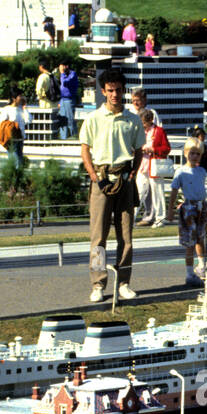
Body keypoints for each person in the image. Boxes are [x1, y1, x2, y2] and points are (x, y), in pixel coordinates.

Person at [79, 67, 144, 303]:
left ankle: (124, 282)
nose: (114, 94)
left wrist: (133, 174)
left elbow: (138, 151)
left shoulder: (133, 120)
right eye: (110, 90)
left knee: (126, 236)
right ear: (103, 91)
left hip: (124, 179)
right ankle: (98, 283)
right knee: (98, 237)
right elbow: (85, 149)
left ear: (123, 91)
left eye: (118, 90)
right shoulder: (94, 119)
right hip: (101, 180)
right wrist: (94, 176)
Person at [168, 138, 207, 287]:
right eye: (192, 153)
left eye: (198, 154)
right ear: (186, 153)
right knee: (189, 242)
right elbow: (174, 191)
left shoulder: (201, 171)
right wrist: (170, 210)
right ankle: (189, 272)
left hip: (201, 206)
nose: (194, 156)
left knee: (201, 237)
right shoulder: (180, 172)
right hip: (189, 208)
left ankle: (202, 266)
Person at [135, 108, 170, 227]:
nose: (142, 125)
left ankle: (160, 219)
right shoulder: (138, 131)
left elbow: (166, 148)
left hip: (155, 166)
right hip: (142, 166)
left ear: (150, 120)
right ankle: (130, 218)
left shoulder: (159, 131)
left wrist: (153, 149)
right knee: (138, 193)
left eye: (144, 122)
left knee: (158, 193)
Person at [0, 89, 29, 169]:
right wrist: (12, 126)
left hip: (20, 139)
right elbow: (0, 124)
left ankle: (17, 179)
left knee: (20, 162)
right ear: (14, 98)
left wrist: (25, 108)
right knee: (14, 163)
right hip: (11, 140)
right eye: (20, 96)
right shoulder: (6, 109)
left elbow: (28, 120)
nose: (22, 98)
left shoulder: (21, 108)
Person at [57, 60, 79, 140]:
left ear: (67, 66)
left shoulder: (72, 74)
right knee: (63, 121)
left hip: (69, 100)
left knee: (70, 120)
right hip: (63, 100)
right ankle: (63, 139)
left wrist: (62, 73)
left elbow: (65, 83)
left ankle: (74, 137)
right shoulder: (63, 75)